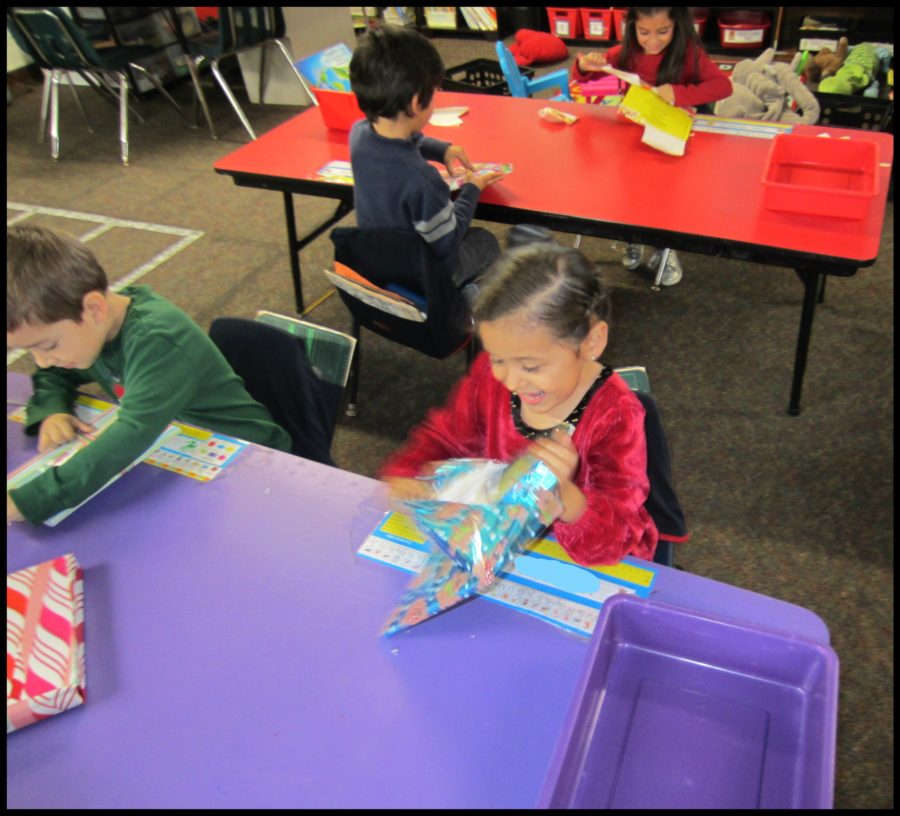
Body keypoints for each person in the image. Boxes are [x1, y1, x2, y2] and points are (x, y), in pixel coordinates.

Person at [380, 243, 658, 566]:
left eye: (531, 367)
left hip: (583, 560)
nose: (510, 381)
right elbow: (446, 437)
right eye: (498, 359)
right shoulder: (491, 376)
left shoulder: (615, 415)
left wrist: (563, 495)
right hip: (498, 540)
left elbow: (618, 537)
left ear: (591, 343)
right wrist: (412, 475)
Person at [6, 225, 292, 525]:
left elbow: (132, 432)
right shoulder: (94, 329)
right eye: (30, 352)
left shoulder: (157, 339)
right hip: (178, 449)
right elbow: (53, 373)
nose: (42, 360)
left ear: (94, 309)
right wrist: (53, 408)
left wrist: (29, 501)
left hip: (251, 460)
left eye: (48, 345)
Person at [573, 7, 731, 286]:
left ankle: (663, 248)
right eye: (644, 32)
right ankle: (631, 238)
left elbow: (722, 86)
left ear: (677, 26)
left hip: (672, 135)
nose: (653, 41)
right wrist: (585, 66)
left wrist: (679, 93)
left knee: (666, 198)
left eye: (663, 31)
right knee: (629, 192)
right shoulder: (626, 52)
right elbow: (586, 79)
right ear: (632, 27)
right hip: (633, 136)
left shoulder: (689, 54)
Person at [348, 24, 503, 297]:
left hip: (378, 263)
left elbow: (402, 142)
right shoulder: (422, 180)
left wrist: (441, 150)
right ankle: (460, 300)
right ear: (418, 102)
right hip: (423, 275)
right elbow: (448, 239)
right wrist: (472, 189)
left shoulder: (359, 135)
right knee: (485, 242)